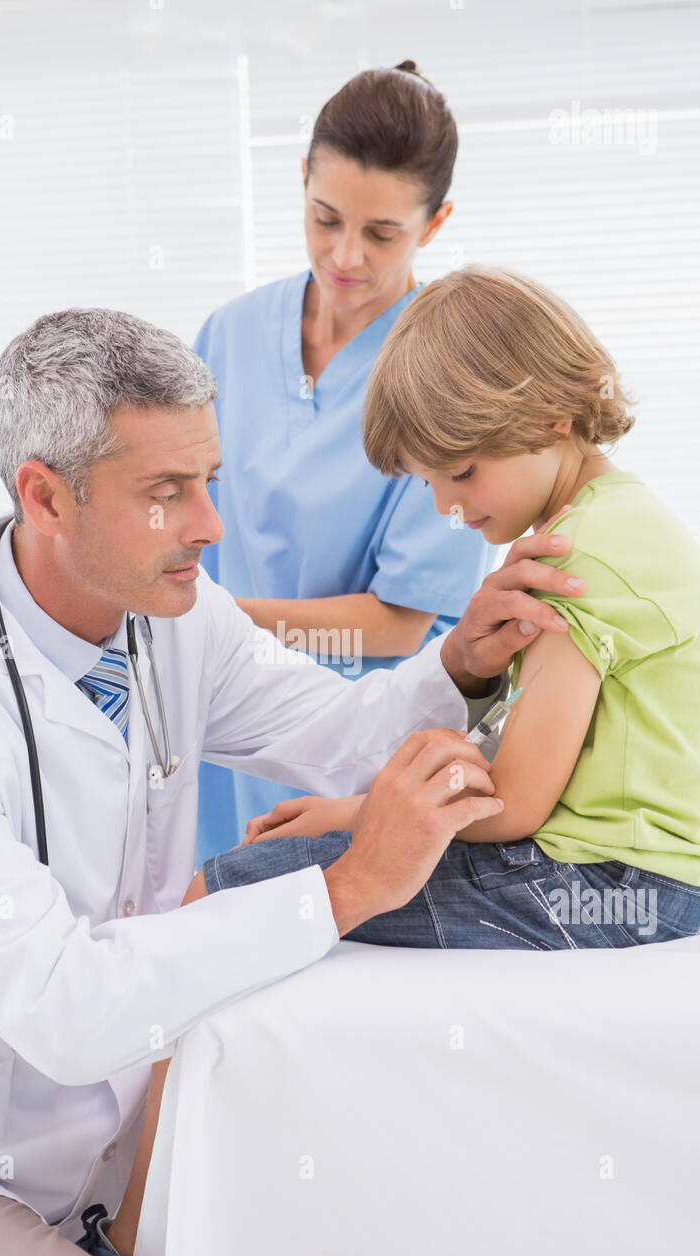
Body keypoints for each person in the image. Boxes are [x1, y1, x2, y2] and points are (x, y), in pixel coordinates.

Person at [0, 305, 577, 1256]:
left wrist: (454, 666)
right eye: (166, 492)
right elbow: (63, 1005)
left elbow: (332, 734)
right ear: (45, 497)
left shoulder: (173, 612)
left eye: (209, 480)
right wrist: (342, 889)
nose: (210, 525)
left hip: (111, 1159)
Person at [102, 268, 700, 1256]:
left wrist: (361, 825)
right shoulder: (610, 527)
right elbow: (519, 757)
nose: (444, 506)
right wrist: (359, 807)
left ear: (545, 413)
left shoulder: (575, 566)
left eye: (462, 471)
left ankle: (126, 1239)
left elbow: (517, 800)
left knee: (215, 895)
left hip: (600, 891)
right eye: (429, 482)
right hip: (639, 878)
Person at [193, 61, 489, 881]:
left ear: (434, 224)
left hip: (356, 735)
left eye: (382, 232)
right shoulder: (229, 334)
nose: (345, 254)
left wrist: (203, 620)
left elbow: (402, 621)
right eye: (324, 218)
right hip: (220, 724)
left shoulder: (442, 373)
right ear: (302, 183)